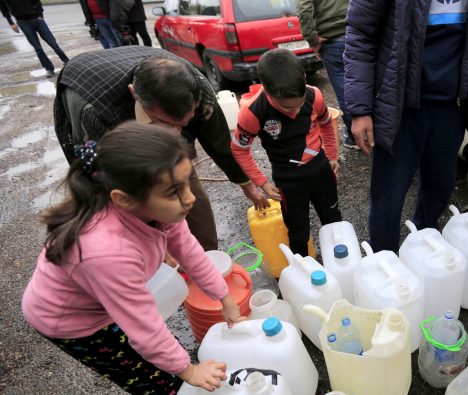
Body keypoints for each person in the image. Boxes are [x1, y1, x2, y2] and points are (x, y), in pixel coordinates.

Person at [22, 122, 244, 395]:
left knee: (158, 355)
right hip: (71, 320)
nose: (190, 198)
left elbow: (190, 251)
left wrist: (225, 298)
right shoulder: (105, 252)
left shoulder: (158, 209)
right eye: (174, 192)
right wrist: (189, 370)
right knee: (145, 374)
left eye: (187, 182)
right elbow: (143, 327)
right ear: (124, 199)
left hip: (104, 296)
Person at [53, 46, 264, 252]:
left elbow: (219, 142)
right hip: (86, 85)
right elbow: (104, 177)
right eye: (164, 123)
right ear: (134, 94)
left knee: (194, 203)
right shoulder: (94, 112)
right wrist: (159, 252)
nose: (175, 134)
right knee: (135, 210)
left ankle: (208, 254)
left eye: (184, 123)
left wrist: (245, 183)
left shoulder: (199, 88)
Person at [344, 0, 468, 253]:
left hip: (452, 107)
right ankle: (385, 261)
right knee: (388, 196)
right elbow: (360, 35)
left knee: (440, 188)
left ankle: (422, 245)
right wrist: (360, 109)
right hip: (399, 108)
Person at [231, 48, 342, 257]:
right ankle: (302, 271)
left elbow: (327, 124)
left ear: (304, 78)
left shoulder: (314, 95)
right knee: (298, 232)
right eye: (286, 108)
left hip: (320, 169)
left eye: (299, 105)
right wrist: (261, 182)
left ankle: (342, 263)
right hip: (288, 180)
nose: (295, 112)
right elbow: (239, 149)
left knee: (333, 220)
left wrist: (332, 155)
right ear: (267, 90)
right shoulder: (253, 111)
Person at [296, 0, 356, 149]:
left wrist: (312, 39)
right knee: (369, 83)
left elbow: (304, 8)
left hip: (333, 40)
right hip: (359, 32)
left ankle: (355, 137)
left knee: (346, 90)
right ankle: (378, 131)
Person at [0, 0, 69, 78]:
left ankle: (66, 61)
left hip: (37, 19)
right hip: (22, 22)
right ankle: (49, 68)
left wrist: (40, 15)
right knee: (38, 48)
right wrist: (11, 23)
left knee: (53, 43)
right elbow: (3, 8)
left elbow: (37, 1)